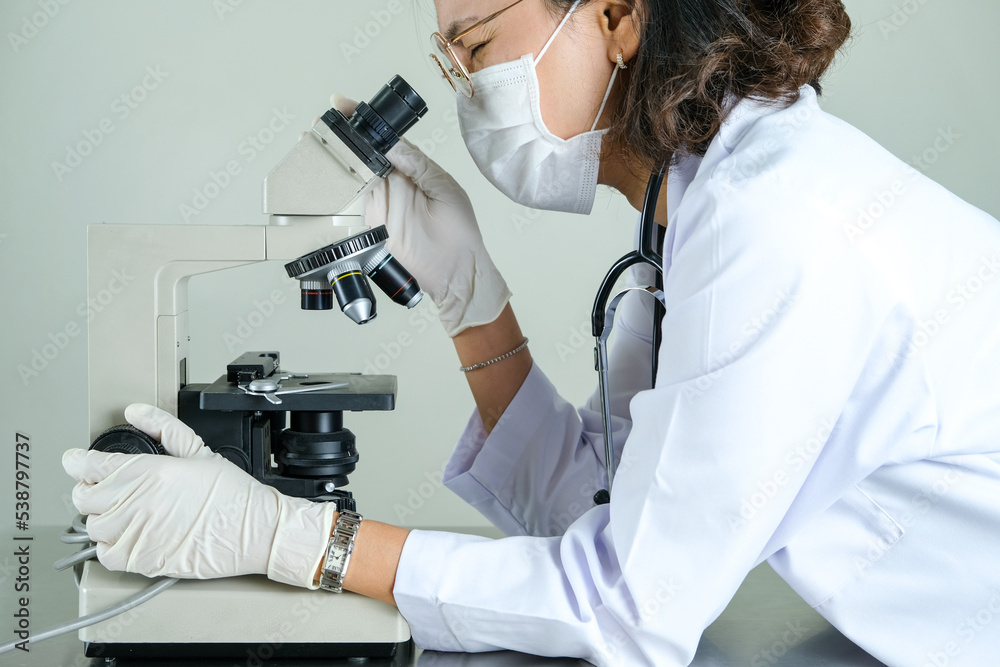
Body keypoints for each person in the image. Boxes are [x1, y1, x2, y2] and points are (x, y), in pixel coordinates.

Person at [63, 0, 1000, 664]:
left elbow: (629, 612)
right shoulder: (695, 203)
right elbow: (601, 508)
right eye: (452, 62)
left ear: (618, 17)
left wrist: (294, 538)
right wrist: (468, 297)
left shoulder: (778, 225)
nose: (468, 87)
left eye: (476, 45)